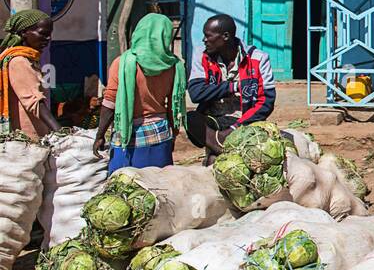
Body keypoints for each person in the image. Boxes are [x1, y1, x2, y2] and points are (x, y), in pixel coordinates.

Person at [92, 13, 185, 172]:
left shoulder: (122, 63)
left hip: (129, 137)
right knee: (159, 189)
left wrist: (100, 135)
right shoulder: (174, 65)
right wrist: (173, 134)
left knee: (124, 189)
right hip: (161, 134)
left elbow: (109, 104)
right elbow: (173, 107)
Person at [186, 14, 276, 161]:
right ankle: (220, 148)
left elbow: (266, 102)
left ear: (225, 36)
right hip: (214, 121)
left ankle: (217, 152)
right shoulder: (202, 57)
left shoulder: (258, 58)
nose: (204, 40)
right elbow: (196, 93)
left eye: (208, 36)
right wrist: (232, 87)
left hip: (245, 122)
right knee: (190, 118)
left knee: (213, 160)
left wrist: (236, 128)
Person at [0, 9, 57, 140]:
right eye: (43, 34)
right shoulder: (19, 61)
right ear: (24, 32)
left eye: (49, 34)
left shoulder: (24, 58)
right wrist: (59, 130)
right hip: (27, 140)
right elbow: (34, 100)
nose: (48, 39)